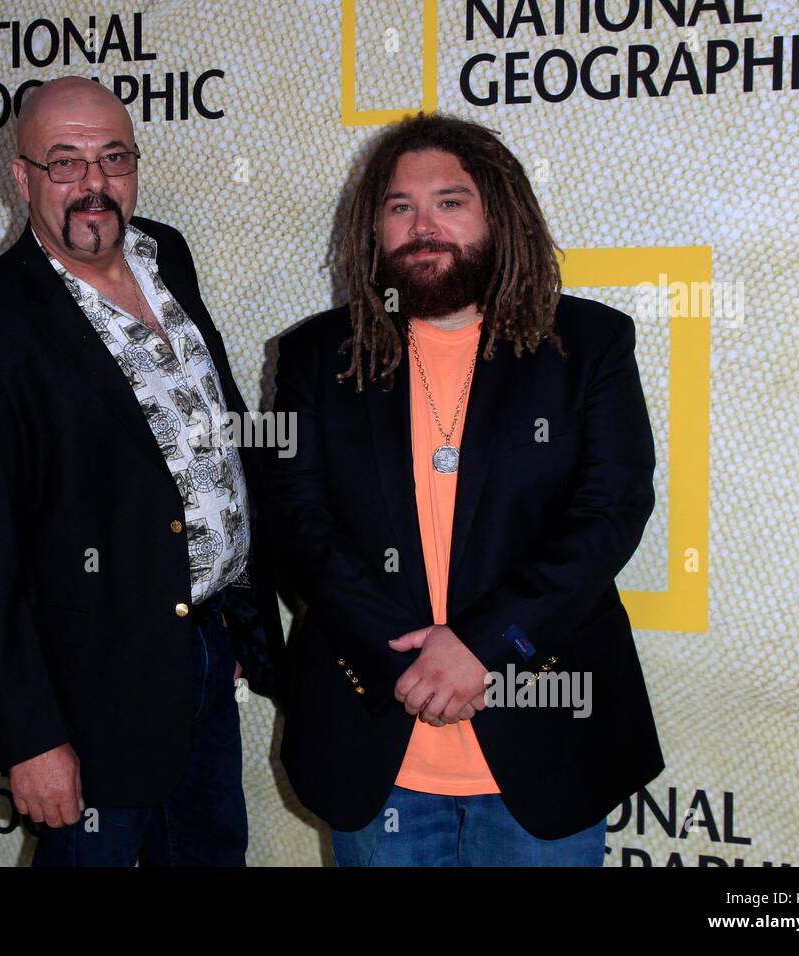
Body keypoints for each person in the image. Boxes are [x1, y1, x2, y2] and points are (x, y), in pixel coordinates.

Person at [269, 113, 663, 866]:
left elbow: (609, 513)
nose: (424, 226)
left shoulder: (587, 345)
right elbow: (297, 525)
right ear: (373, 229)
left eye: (451, 202)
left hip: (546, 746)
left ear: (498, 214)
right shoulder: (316, 356)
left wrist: (486, 646)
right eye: (400, 207)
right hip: (376, 743)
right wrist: (408, 669)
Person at [0, 77, 283, 867]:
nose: (93, 184)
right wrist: (32, 737)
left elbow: (204, 438)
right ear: (21, 178)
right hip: (84, 691)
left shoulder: (166, 254)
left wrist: (243, 606)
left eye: (113, 158)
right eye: (65, 162)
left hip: (207, 651)